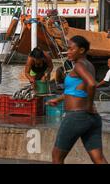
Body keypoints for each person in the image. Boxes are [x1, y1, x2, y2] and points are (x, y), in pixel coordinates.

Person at [46, 36, 108, 164]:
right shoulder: (89, 65)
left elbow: (91, 84)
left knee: (57, 157)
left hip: (76, 116)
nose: (67, 52)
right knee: (99, 158)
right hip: (92, 118)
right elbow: (78, 89)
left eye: (70, 49)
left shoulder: (79, 66)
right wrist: (58, 99)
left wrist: (89, 105)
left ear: (81, 50)